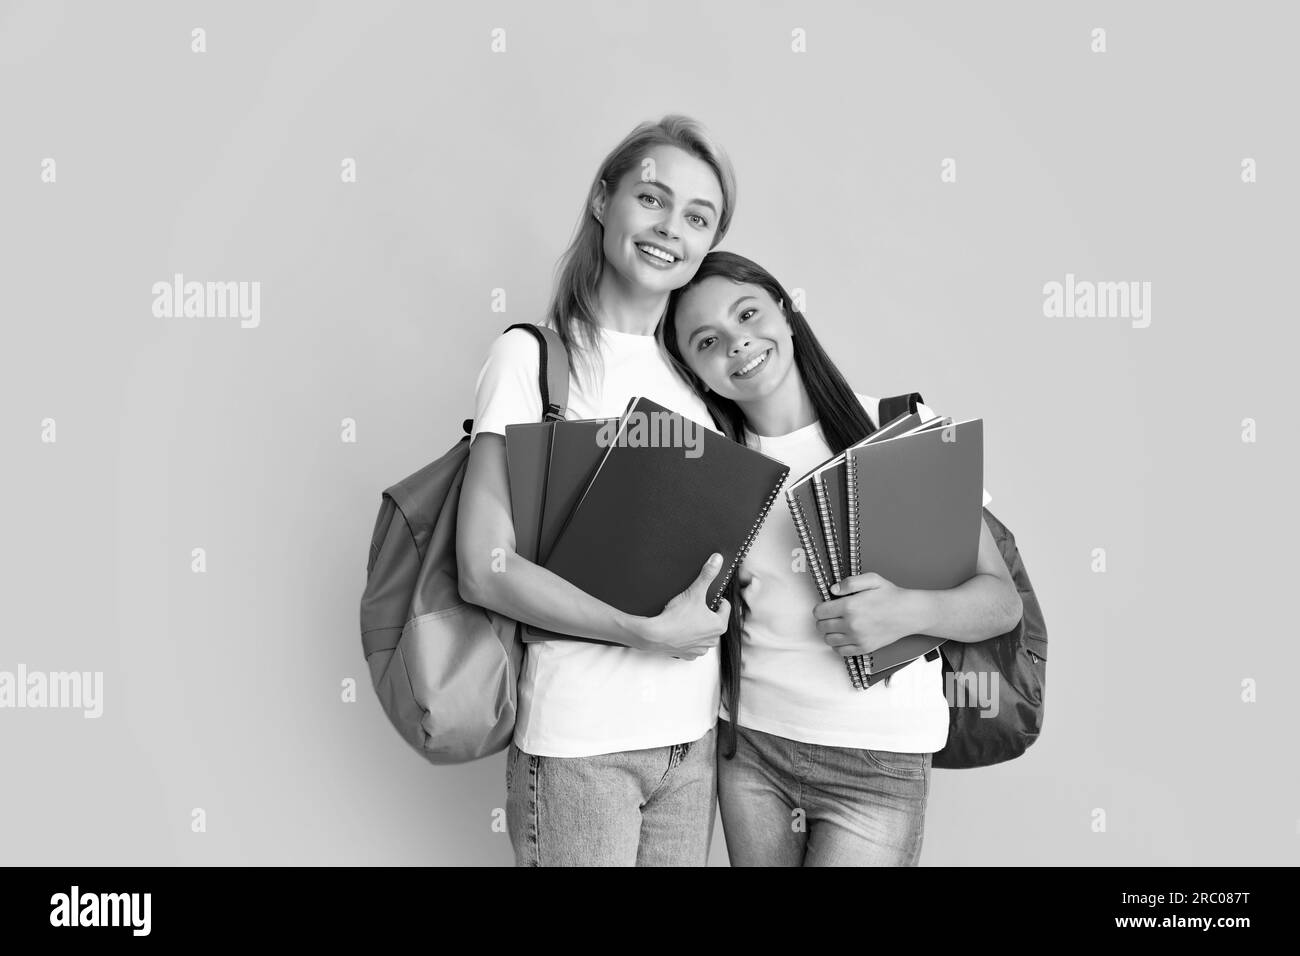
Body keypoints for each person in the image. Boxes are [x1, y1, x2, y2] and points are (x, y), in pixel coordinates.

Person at [662, 250, 1023, 866]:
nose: (739, 344)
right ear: (695, 374)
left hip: (876, 763)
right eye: (707, 341)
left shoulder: (900, 429)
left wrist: (904, 611)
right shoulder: (712, 470)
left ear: (786, 310)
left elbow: (1001, 603)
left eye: (748, 313)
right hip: (751, 753)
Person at [456, 116, 738, 866]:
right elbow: (484, 566)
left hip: (691, 747)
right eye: (652, 198)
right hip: (581, 747)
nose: (669, 228)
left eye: (697, 217)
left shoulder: (704, 384)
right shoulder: (533, 361)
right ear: (604, 200)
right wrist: (643, 633)